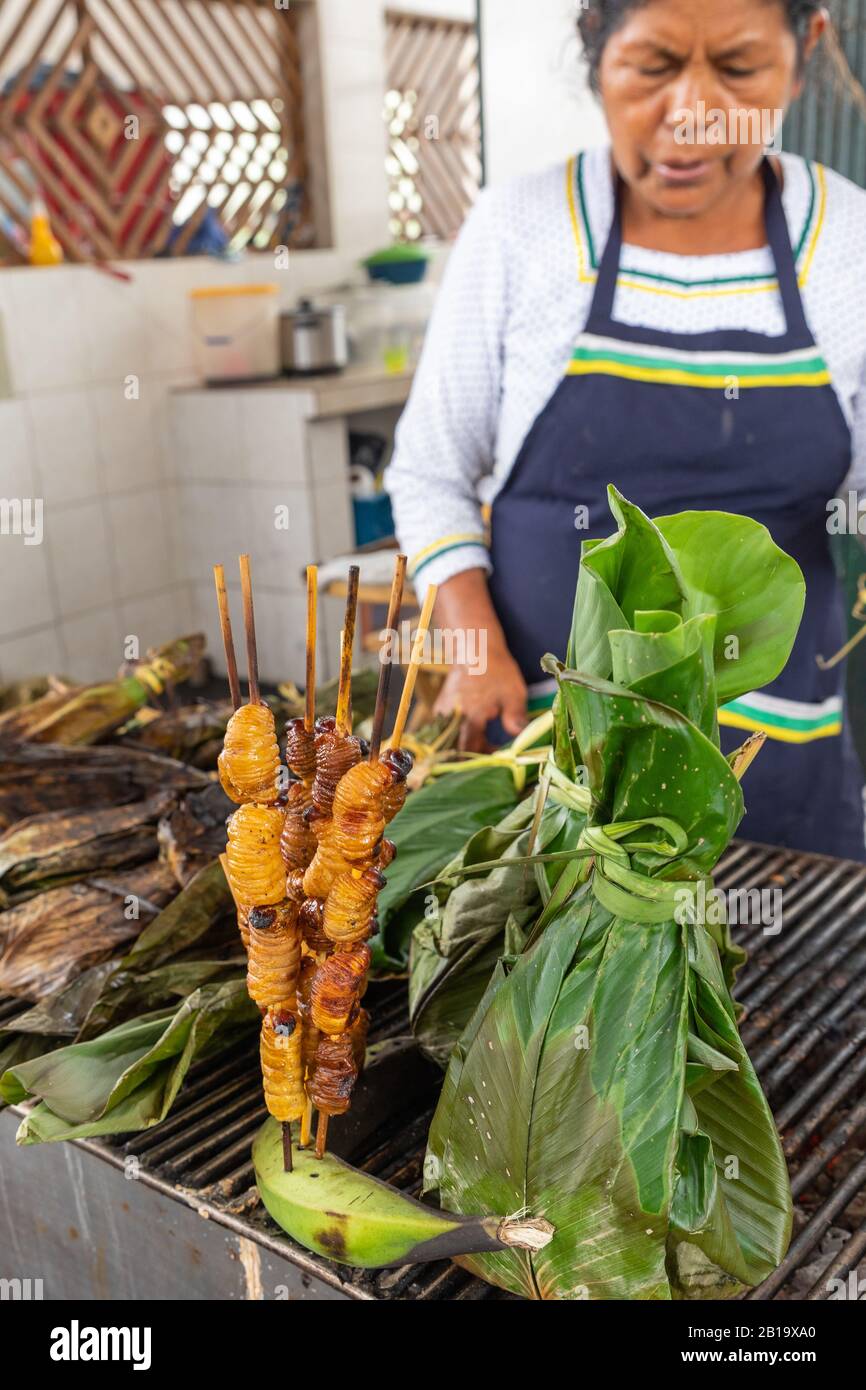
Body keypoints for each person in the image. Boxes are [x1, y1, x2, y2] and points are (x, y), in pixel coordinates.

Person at [385, 0, 866, 859]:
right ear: (598, 55)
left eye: (740, 69)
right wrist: (471, 642)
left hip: (772, 753)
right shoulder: (521, 229)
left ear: (805, 54)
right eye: (652, 66)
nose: (693, 113)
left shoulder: (847, 244)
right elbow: (429, 472)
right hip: (550, 747)